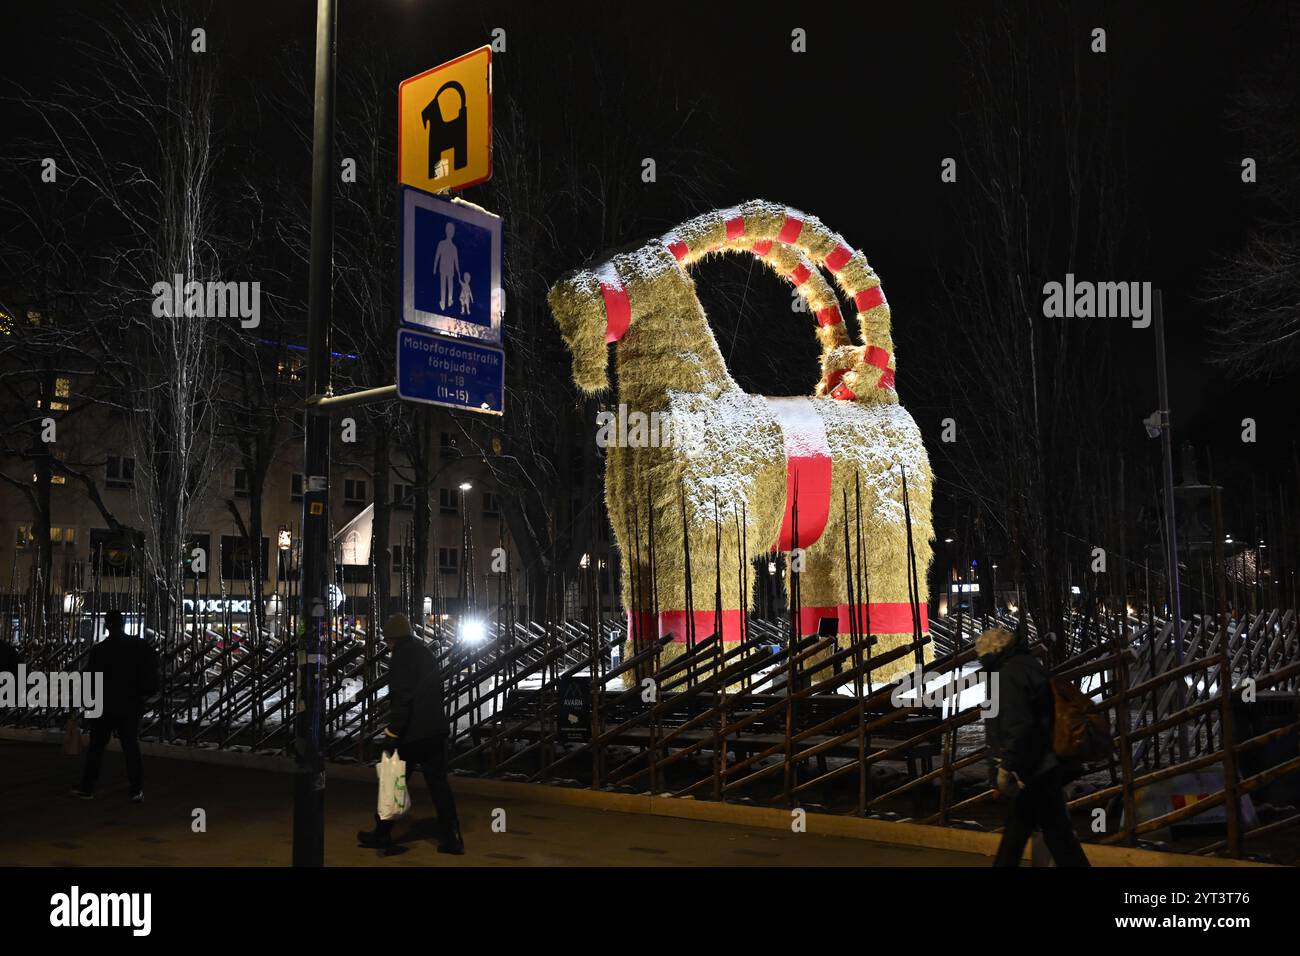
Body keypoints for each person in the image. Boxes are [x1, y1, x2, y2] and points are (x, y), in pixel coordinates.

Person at [977, 625, 1089, 867]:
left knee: (1046, 834)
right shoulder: (1028, 665)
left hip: (1030, 768)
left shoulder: (1006, 674)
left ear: (989, 654)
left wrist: (1006, 768)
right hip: (1043, 760)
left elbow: (1016, 725)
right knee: (1034, 832)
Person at [358, 613, 464, 855]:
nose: (387, 645)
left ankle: (382, 834)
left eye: (388, 640)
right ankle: (453, 837)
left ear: (394, 638)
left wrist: (393, 732)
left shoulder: (401, 657)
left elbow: (403, 699)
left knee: (393, 783)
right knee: (439, 786)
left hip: (412, 733)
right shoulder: (425, 653)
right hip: (435, 730)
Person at [71, 610, 160, 803]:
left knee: (96, 747)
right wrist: (144, 694)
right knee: (130, 747)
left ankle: (87, 787)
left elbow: (90, 679)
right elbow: (152, 670)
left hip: (105, 704)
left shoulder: (100, 650)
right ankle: (136, 789)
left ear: (107, 626)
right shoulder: (139, 646)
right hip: (130, 704)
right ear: (123, 624)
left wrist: (83, 703)